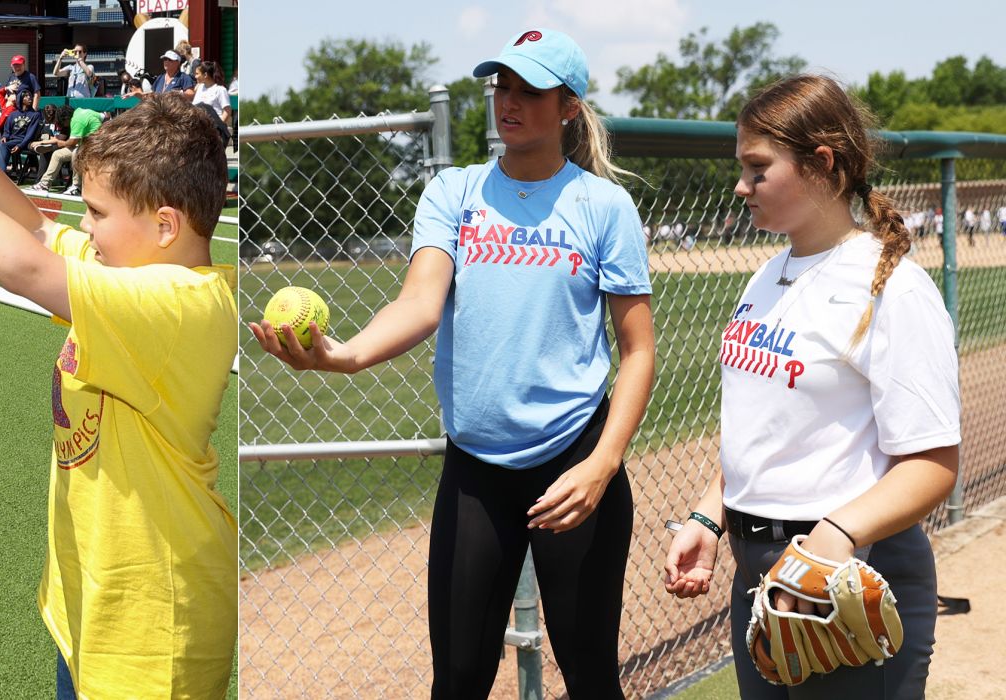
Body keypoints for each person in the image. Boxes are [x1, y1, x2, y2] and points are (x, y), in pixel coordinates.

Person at [250, 28, 654, 699]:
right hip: (477, 471)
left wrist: (601, 465)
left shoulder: (602, 206)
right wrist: (344, 357)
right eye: (502, 85)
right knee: (459, 680)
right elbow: (419, 303)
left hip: (576, 461)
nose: (509, 101)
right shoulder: (455, 193)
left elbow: (639, 352)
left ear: (569, 108)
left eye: (530, 89)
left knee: (591, 679)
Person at [0, 46, 237, 700]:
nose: (84, 229)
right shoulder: (131, 270)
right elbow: (34, 233)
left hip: (153, 632)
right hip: (90, 603)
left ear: (164, 225)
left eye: (96, 214)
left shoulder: (182, 304)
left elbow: (25, 267)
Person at [663, 74, 960, 700]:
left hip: (848, 571)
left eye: (757, 168)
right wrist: (708, 517)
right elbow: (765, 423)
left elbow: (932, 464)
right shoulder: (768, 274)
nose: (741, 186)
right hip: (762, 575)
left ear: (821, 163)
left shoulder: (892, 288)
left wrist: (837, 536)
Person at [29, 100, 101, 196]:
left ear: (66, 118)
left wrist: (61, 143)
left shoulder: (77, 120)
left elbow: (71, 143)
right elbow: (104, 116)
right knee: (57, 154)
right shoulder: (80, 111)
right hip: (84, 145)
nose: (64, 125)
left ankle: (77, 187)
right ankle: (44, 184)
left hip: (95, 147)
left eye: (63, 122)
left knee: (76, 152)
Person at [0, 93, 41, 176]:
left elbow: (30, 134)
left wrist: (20, 145)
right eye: (26, 96)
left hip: (22, 141)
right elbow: (7, 129)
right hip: (10, 139)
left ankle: (0, 176)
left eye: (30, 95)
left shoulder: (34, 115)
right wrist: (5, 136)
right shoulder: (13, 114)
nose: (30, 97)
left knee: (4, 145)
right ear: (20, 99)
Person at [192, 61, 232, 150]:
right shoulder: (200, 88)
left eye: (197, 74)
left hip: (213, 132)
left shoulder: (220, 90)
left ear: (205, 75)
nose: (195, 76)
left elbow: (227, 111)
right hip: (199, 131)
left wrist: (217, 127)